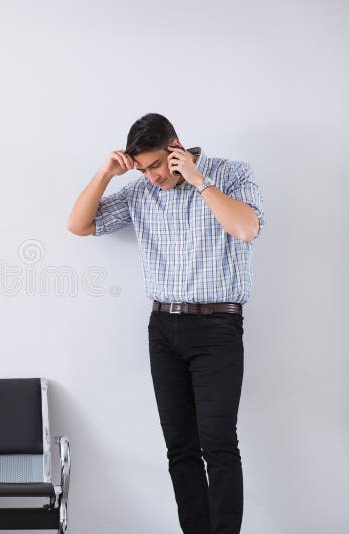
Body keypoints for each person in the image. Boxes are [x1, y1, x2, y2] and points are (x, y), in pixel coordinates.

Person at [67, 113, 264, 534]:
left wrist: (198, 180)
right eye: (143, 169)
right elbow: (78, 225)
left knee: (219, 443)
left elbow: (246, 229)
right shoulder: (141, 193)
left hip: (218, 329)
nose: (152, 176)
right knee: (180, 449)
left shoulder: (231, 174)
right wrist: (106, 173)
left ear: (176, 147)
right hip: (164, 330)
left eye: (156, 165)